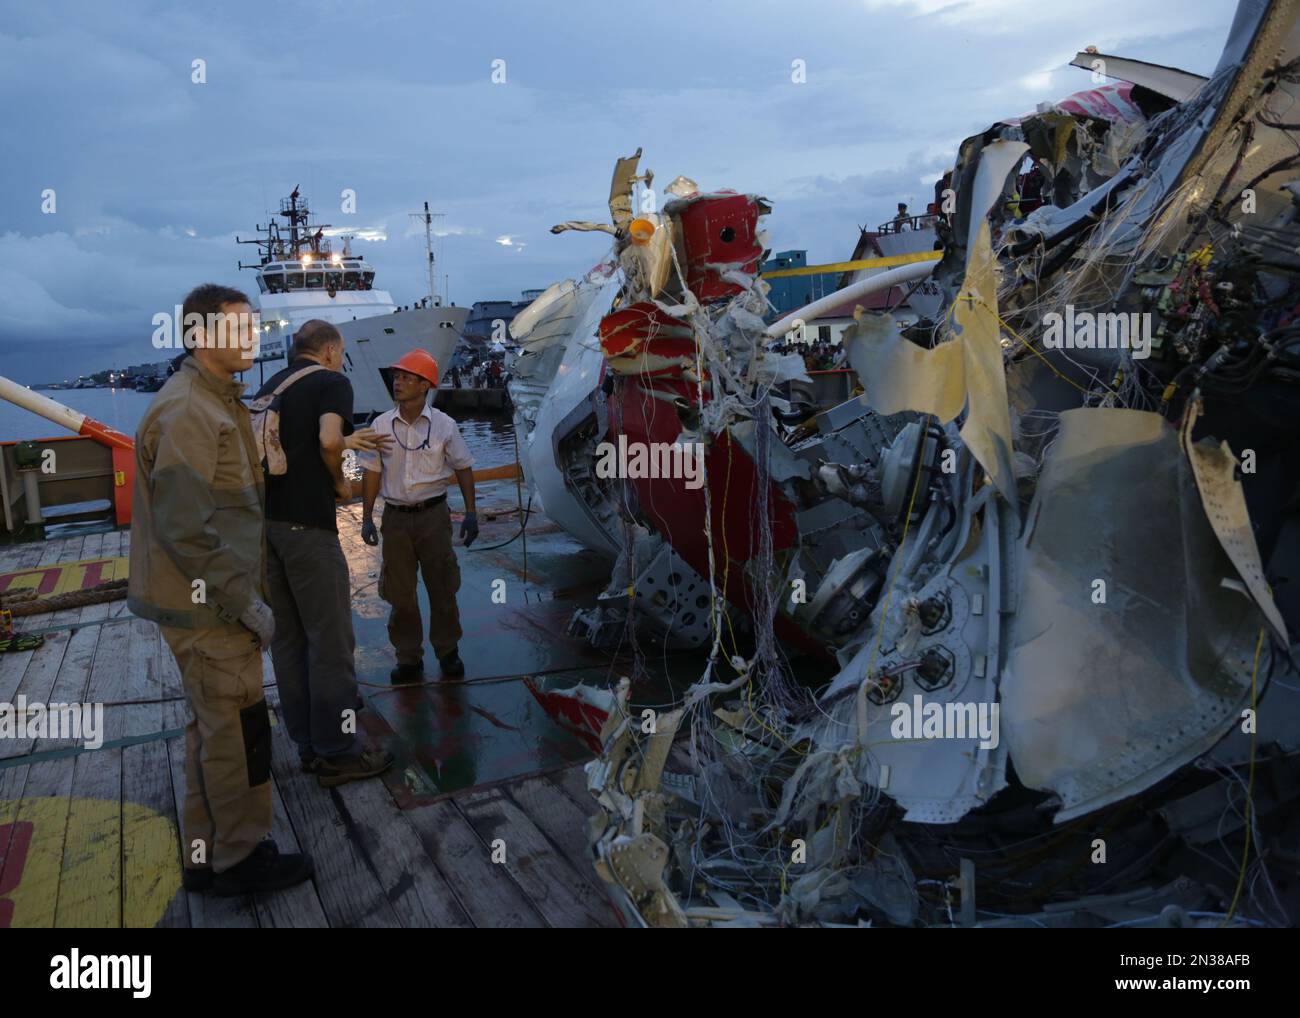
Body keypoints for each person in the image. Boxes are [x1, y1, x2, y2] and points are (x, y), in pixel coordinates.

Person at [128, 283, 312, 896]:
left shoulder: (213, 402)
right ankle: (240, 859)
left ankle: (204, 855)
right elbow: (189, 529)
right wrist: (249, 603)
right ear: (201, 338)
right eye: (238, 329)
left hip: (204, 604)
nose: (252, 339)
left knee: (211, 730)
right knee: (238, 733)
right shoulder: (190, 412)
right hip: (210, 610)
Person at [254, 319, 395, 788]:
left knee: (289, 641)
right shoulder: (332, 381)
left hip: (266, 528)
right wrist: (340, 483)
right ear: (332, 350)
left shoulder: (270, 385)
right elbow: (331, 440)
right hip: (308, 529)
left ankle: (309, 745)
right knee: (331, 644)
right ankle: (339, 751)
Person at [357, 350, 479, 682]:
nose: (398, 383)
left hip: (433, 516)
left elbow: (464, 468)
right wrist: (367, 517)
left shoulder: (444, 425)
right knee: (400, 593)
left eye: (407, 378)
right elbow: (370, 473)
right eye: (397, 377)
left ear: (425, 385)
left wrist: (471, 513)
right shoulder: (380, 425)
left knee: (441, 586)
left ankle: (448, 651)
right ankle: (408, 657)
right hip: (395, 519)